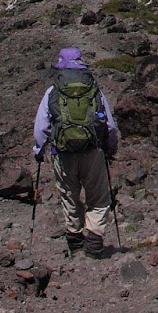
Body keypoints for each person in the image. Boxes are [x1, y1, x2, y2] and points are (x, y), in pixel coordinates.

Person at [32, 47, 120, 258]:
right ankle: (94, 241)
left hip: (63, 153)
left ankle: (75, 242)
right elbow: (110, 126)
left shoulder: (53, 90)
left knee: (70, 197)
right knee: (98, 199)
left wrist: (39, 149)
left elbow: (41, 125)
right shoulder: (94, 89)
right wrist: (110, 148)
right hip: (93, 151)